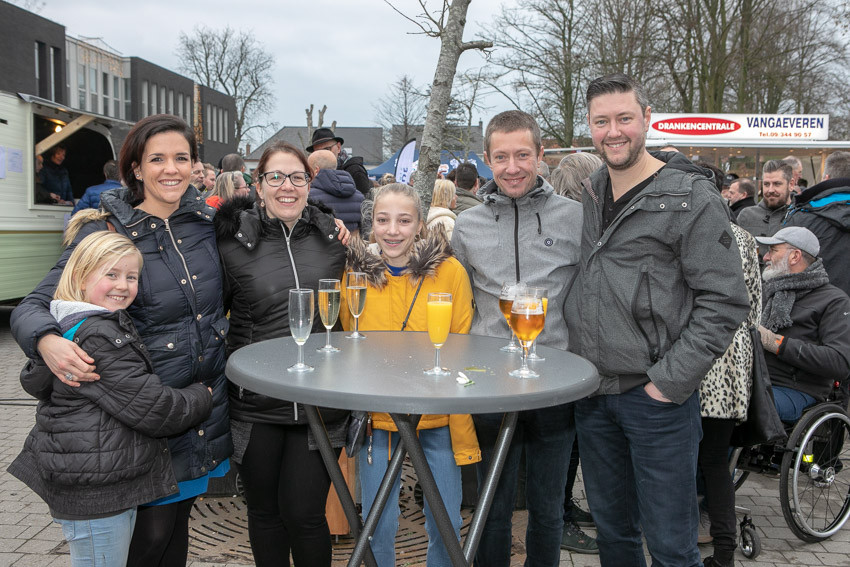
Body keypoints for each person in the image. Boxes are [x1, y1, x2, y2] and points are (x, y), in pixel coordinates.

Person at [11, 114, 234, 567]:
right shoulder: (105, 231)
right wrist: (48, 342)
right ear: (135, 167)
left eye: (181, 158)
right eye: (157, 159)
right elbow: (32, 305)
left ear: (195, 165)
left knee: (174, 533)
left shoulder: (208, 226)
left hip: (198, 412)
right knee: (148, 540)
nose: (171, 169)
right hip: (140, 417)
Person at [570, 73, 748, 567]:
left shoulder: (690, 198)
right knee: (615, 538)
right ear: (589, 127)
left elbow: (726, 301)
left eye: (624, 118)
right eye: (601, 121)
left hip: (657, 403)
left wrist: (667, 383)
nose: (614, 131)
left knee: (671, 547)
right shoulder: (589, 192)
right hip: (593, 398)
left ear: (647, 119)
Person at [8, 230, 214, 567]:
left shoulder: (69, 323)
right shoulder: (100, 335)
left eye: (131, 277)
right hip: (98, 492)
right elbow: (156, 411)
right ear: (79, 276)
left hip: (91, 478)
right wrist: (201, 395)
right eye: (111, 274)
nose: (123, 285)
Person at [452, 110, 586, 565]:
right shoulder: (466, 227)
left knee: (548, 510)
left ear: (541, 155)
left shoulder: (574, 218)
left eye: (523, 155)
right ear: (487, 160)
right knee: (492, 505)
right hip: (489, 382)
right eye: (502, 157)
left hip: (555, 383)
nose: (513, 167)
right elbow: (454, 298)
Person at [214, 141, 348, 567]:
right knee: (265, 515)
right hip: (255, 406)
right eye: (275, 177)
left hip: (320, 405)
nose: (286, 186)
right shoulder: (230, 245)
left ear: (310, 184)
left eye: (297, 177)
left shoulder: (335, 240)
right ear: (258, 185)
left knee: (306, 516)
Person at [340, 182, 479, 567]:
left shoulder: (449, 273)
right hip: (377, 418)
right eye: (383, 220)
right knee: (378, 524)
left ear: (420, 225)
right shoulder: (354, 274)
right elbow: (341, 336)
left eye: (404, 220)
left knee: (446, 522)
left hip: (438, 417)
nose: (393, 230)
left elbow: (464, 341)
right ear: (371, 226)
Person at [695, 163, 762, 567]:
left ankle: (681, 544)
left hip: (699, 360)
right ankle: (723, 553)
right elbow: (754, 306)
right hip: (734, 360)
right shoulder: (744, 237)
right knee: (715, 462)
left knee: (684, 459)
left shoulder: (690, 233)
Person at [754, 227, 850, 423]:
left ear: (795, 256)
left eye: (773, 250)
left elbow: (839, 362)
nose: (765, 257)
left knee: (740, 405)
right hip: (755, 381)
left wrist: (777, 343)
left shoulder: (833, 301)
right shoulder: (766, 292)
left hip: (797, 390)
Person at [784, 150, 850, 298]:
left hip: (814, 310)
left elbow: (786, 269)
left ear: (826, 178)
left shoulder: (802, 215)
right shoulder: (803, 212)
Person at [308, 149, 364, 234]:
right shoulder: (359, 197)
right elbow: (364, 231)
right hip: (352, 245)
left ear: (316, 170)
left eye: (308, 170)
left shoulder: (308, 196)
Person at [737, 160, 793, 241]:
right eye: (766, 184)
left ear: (791, 184)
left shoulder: (800, 217)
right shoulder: (746, 216)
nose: (770, 190)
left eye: (777, 184)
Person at [307, 127, 371, 196]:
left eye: (327, 149)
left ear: (338, 147)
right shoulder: (315, 174)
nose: (323, 154)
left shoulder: (355, 170)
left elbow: (365, 202)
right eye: (318, 152)